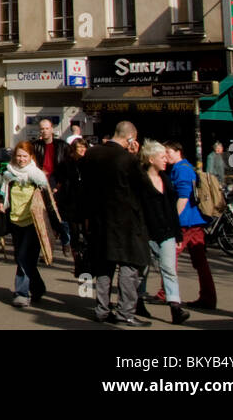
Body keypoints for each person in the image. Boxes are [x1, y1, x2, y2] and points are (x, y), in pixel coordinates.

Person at [81, 121, 151, 326]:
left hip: (98, 219)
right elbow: (143, 186)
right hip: (126, 221)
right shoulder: (126, 159)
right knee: (131, 265)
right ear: (131, 138)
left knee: (104, 265)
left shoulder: (91, 154)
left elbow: (84, 186)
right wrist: (136, 157)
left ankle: (102, 309)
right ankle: (125, 311)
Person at [138, 141, 190, 325]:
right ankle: (138, 301)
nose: (166, 160)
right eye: (162, 157)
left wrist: (177, 233)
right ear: (151, 159)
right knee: (141, 271)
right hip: (146, 233)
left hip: (167, 232)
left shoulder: (166, 179)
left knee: (169, 269)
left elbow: (170, 209)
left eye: (166, 156)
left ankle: (175, 308)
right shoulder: (141, 180)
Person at [0, 141, 53, 307]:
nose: (21, 159)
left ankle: (21, 293)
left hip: (33, 222)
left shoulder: (36, 176)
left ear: (31, 157)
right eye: (18, 156)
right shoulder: (8, 174)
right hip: (15, 219)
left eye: (24, 156)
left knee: (23, 257)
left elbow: (47, 197)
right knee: (23, 259)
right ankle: (38, 288)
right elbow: (3, 191)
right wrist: (1, 202)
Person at [164, 141, 216, 310]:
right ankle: (208, 296)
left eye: (168, 152)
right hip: (195, 220)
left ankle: (165, 292)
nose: (166, 155)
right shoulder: (187, 167)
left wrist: (174, 220)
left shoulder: (181, 169)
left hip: (186, 221)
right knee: (200, 260)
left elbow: (183, 197)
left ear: (178, 151)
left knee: (171, 256)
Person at [54, 137, 91, 276]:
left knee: (87, 234)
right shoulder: (66, 164)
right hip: (71, 204)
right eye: (79, 148)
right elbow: (58, 180)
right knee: (74, 235)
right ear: (73, 150)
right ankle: (78, 263)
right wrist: (57, 190)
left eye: (84, 147)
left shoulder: (89, 163)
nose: (82, 150)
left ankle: (86, 261)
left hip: (86, 204)